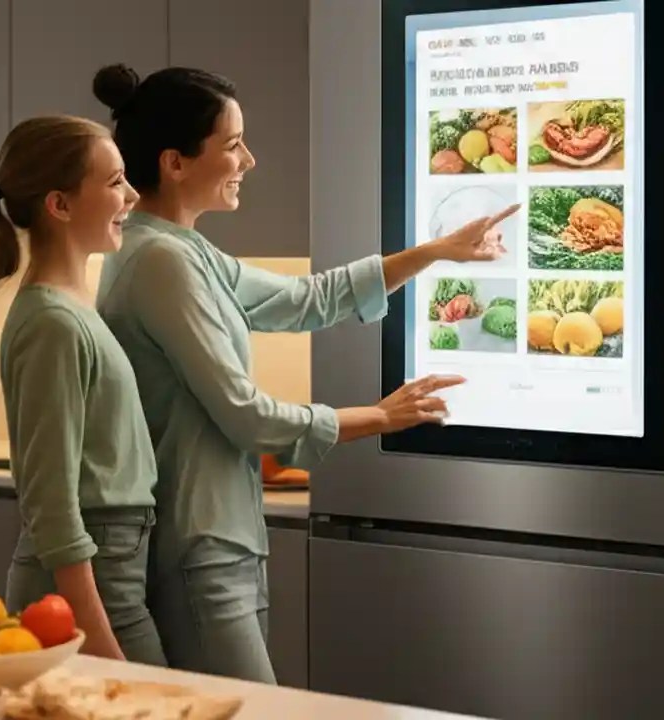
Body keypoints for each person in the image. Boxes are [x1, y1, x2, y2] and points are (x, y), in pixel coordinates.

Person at [89, 64, 519, 683]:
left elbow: (306, 299)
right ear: (175, 162)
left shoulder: (180, 249)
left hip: (217, 539)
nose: (250, 160)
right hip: (198, 542)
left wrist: (433, 252)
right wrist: (380, 416)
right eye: (233, 145)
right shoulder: (160, 261)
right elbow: (244, 413)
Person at [0, 115, 167, 666]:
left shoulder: (73, 310)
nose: (133, 195)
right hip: (82, 589)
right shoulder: (53, 323)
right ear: (61, 205)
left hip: (110, 571)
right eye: (115, 181)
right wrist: (99, 642)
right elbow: (51, 504)